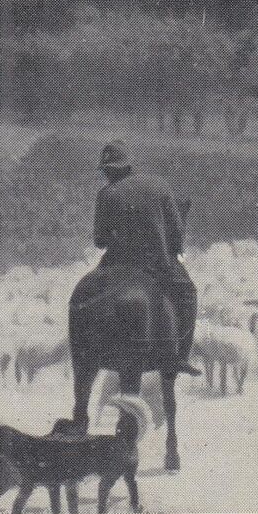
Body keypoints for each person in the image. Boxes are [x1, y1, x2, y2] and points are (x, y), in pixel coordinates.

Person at [73, 140, 199, 376]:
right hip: (158, 264)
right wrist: (175, 247)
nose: (107, 176)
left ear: (109, 170)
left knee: (84, 296)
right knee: (188, 293)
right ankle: (180, 356)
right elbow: (176, 228)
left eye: (107, 172)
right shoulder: (159, 185)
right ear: (128, 166)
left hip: (116, 264)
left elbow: (99, 240)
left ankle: (83, 355)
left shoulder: (106, 193)